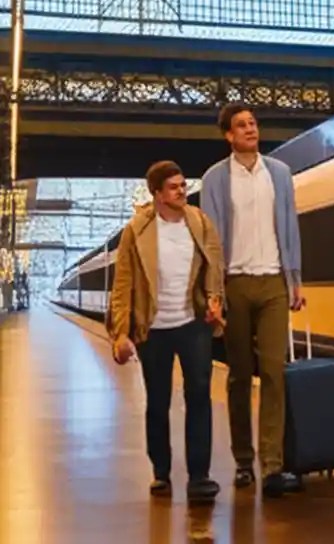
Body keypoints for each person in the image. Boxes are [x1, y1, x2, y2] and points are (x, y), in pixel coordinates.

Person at [200, 102, 305, 497]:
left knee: (275, 372)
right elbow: (211, 240)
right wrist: (214, 291)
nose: (250, 129)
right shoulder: (214, 179)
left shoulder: (279, 174)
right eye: (241, 125)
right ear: (228, 135)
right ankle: (244, 461)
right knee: (240, 375)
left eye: (253, 123)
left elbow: (291, 228)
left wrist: (295, 279)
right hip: (236, 284)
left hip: (274, 282)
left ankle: (273, 465)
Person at [108, 160, 226, 502]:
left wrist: (215, 299)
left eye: (182, 185)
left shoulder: (199, 222)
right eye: (174, 187)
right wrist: (120, 333)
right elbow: (124, 283)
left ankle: (200, 476)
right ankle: (161, 472)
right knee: (157, 402)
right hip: (154, 328)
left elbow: (213, 264)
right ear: (157, 194)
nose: (182, 191)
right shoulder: (137, 230)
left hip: (193, 324)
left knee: (199, 396)